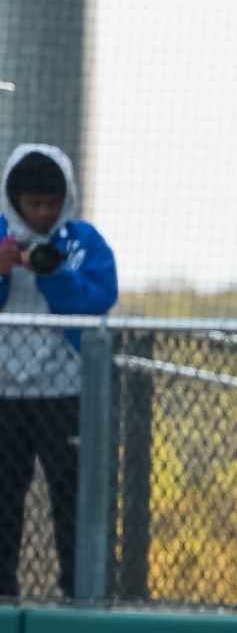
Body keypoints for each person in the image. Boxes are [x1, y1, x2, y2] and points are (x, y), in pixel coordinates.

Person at [0, 143, 118, 599]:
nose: (44, 214)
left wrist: (54, 272)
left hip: (68, 392)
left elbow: (97, 300)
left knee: (74, 501)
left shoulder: (84, 241)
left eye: (52, 203)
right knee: (4, 504)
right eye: (34, 204)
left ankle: (81, 597)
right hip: (5, 396)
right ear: (15, 200)